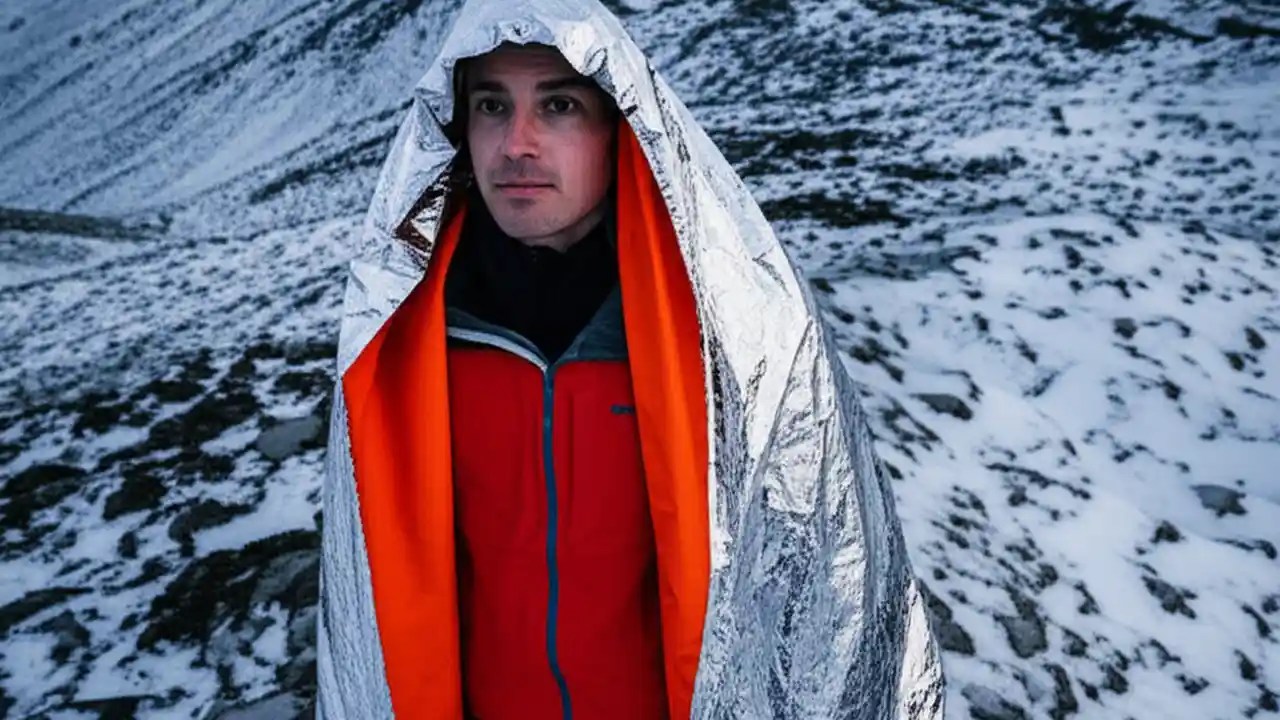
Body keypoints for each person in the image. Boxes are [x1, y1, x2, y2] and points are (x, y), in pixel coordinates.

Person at [319, 1, 944, 718]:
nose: (516, 143)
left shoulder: (728, 336)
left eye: (557, 105)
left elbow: (819, 593)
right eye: (493, 105)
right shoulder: (403, 349)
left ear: (619, 124)